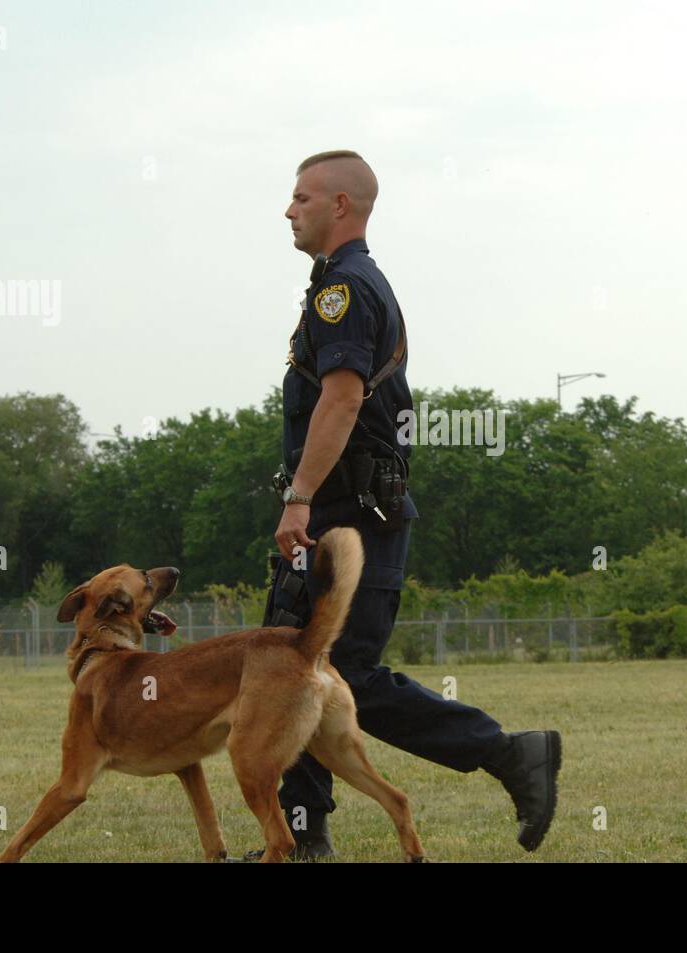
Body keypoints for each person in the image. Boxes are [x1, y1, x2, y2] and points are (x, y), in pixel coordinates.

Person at [254, 151, 561, 860]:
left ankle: (511, 752)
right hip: (340, 516)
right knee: (294, 671)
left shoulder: (347, 290)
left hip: (352, 520)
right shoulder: (338, 286)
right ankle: (303, 839)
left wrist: (298, 498)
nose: (288, 210)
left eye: (301, 198)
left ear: (340, 206)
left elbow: (342, 395)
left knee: (341, 674)